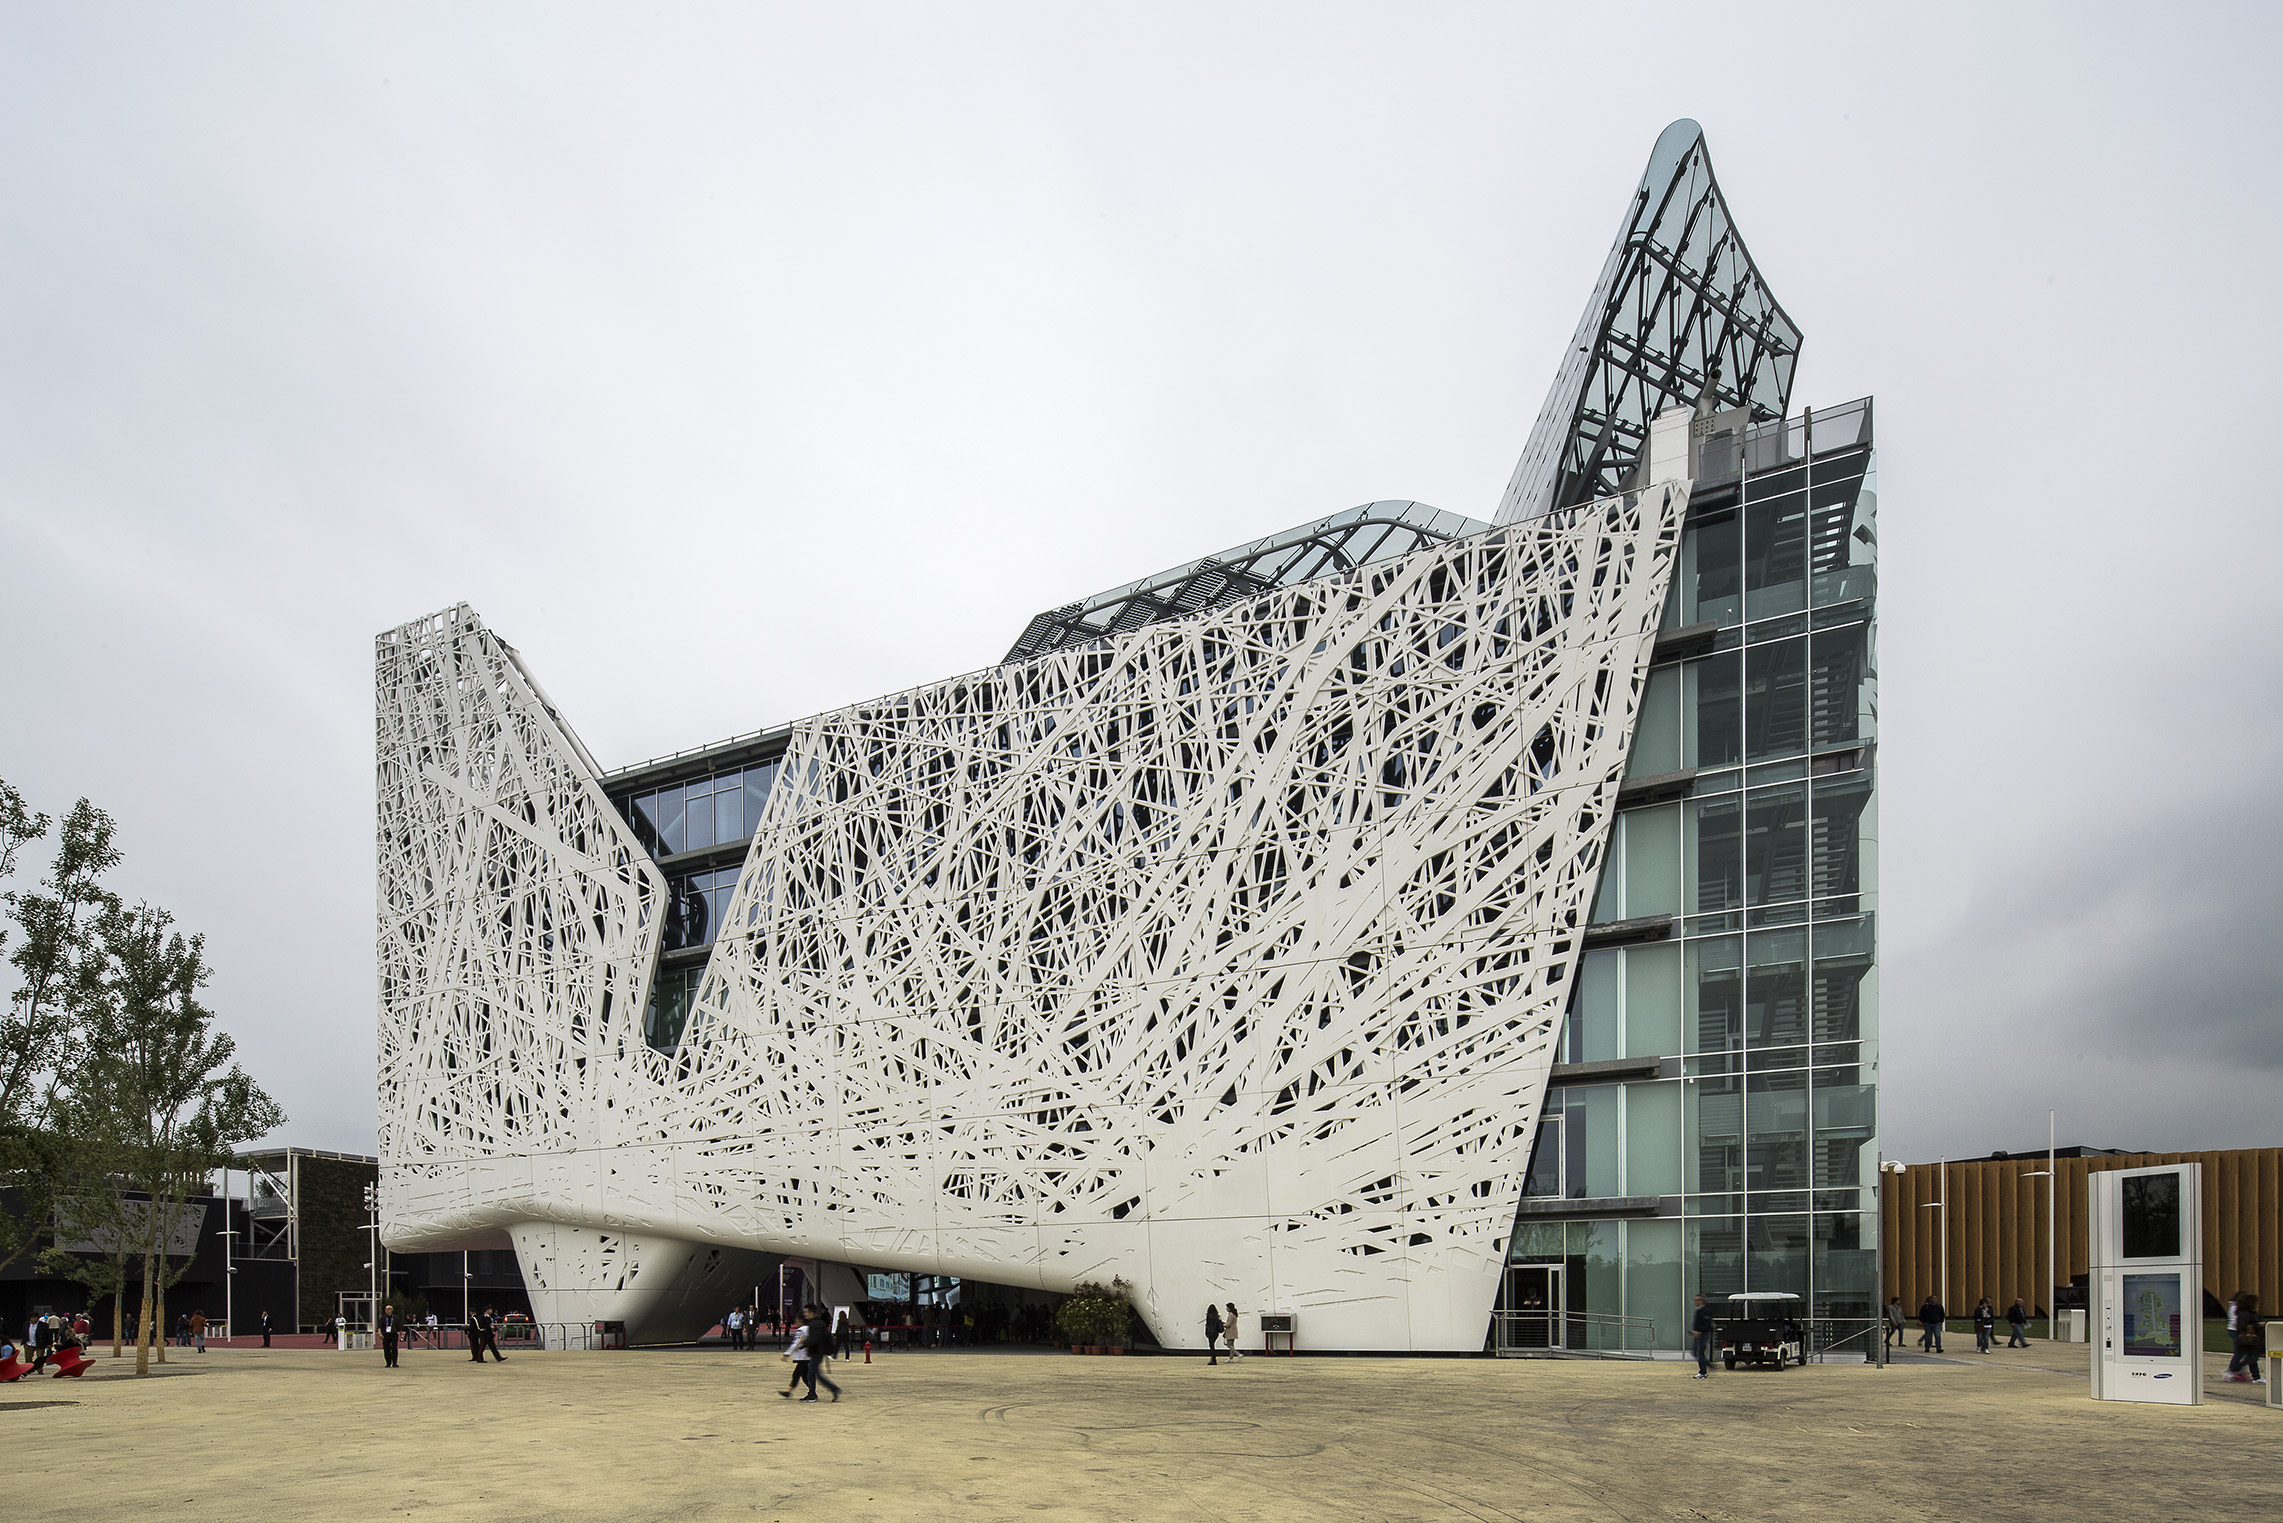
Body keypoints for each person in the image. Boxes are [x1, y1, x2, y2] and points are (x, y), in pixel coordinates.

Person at [2225, 1293, 2263, 1383]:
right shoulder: (2244, 1313)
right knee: (2248, 1356)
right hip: (2245, 1337)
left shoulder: (2243, 1311)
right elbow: (2241, 1325)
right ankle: (2233, 1370)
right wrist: (2257, 1325)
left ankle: (2255, 1376)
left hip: (2242, 1335)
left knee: (2249, 1356)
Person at [1689, 1294, 1716, 1378]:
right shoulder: (1698, 1310)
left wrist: (1699, 1331)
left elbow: (1707, 1324)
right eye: (1695, 1300)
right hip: (1697, 1334)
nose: (1695, 1302)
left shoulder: (1705, 1311)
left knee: (1700, 1353)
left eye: (1697, 1300)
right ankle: (1708, 1365)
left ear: (1702, 1301)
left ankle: (1703, 1372)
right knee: (1695, 1352)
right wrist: (1694, 1332)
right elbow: (1697, 1323)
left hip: (1703, 1334)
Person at [379, 1304, 401, 1368]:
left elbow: (399, 1327)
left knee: (394, 1348)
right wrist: (380, 1334)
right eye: (386, 1309)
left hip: (393, 1334)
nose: (387, 1311)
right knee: (386, 1349)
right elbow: (379, 1327)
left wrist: (401, 1335)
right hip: (385, 1335)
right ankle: (388, 1362)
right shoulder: (383, 1318)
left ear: (392, 1310)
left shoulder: (396, 1318)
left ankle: (394, 1362)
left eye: (389, 1309)